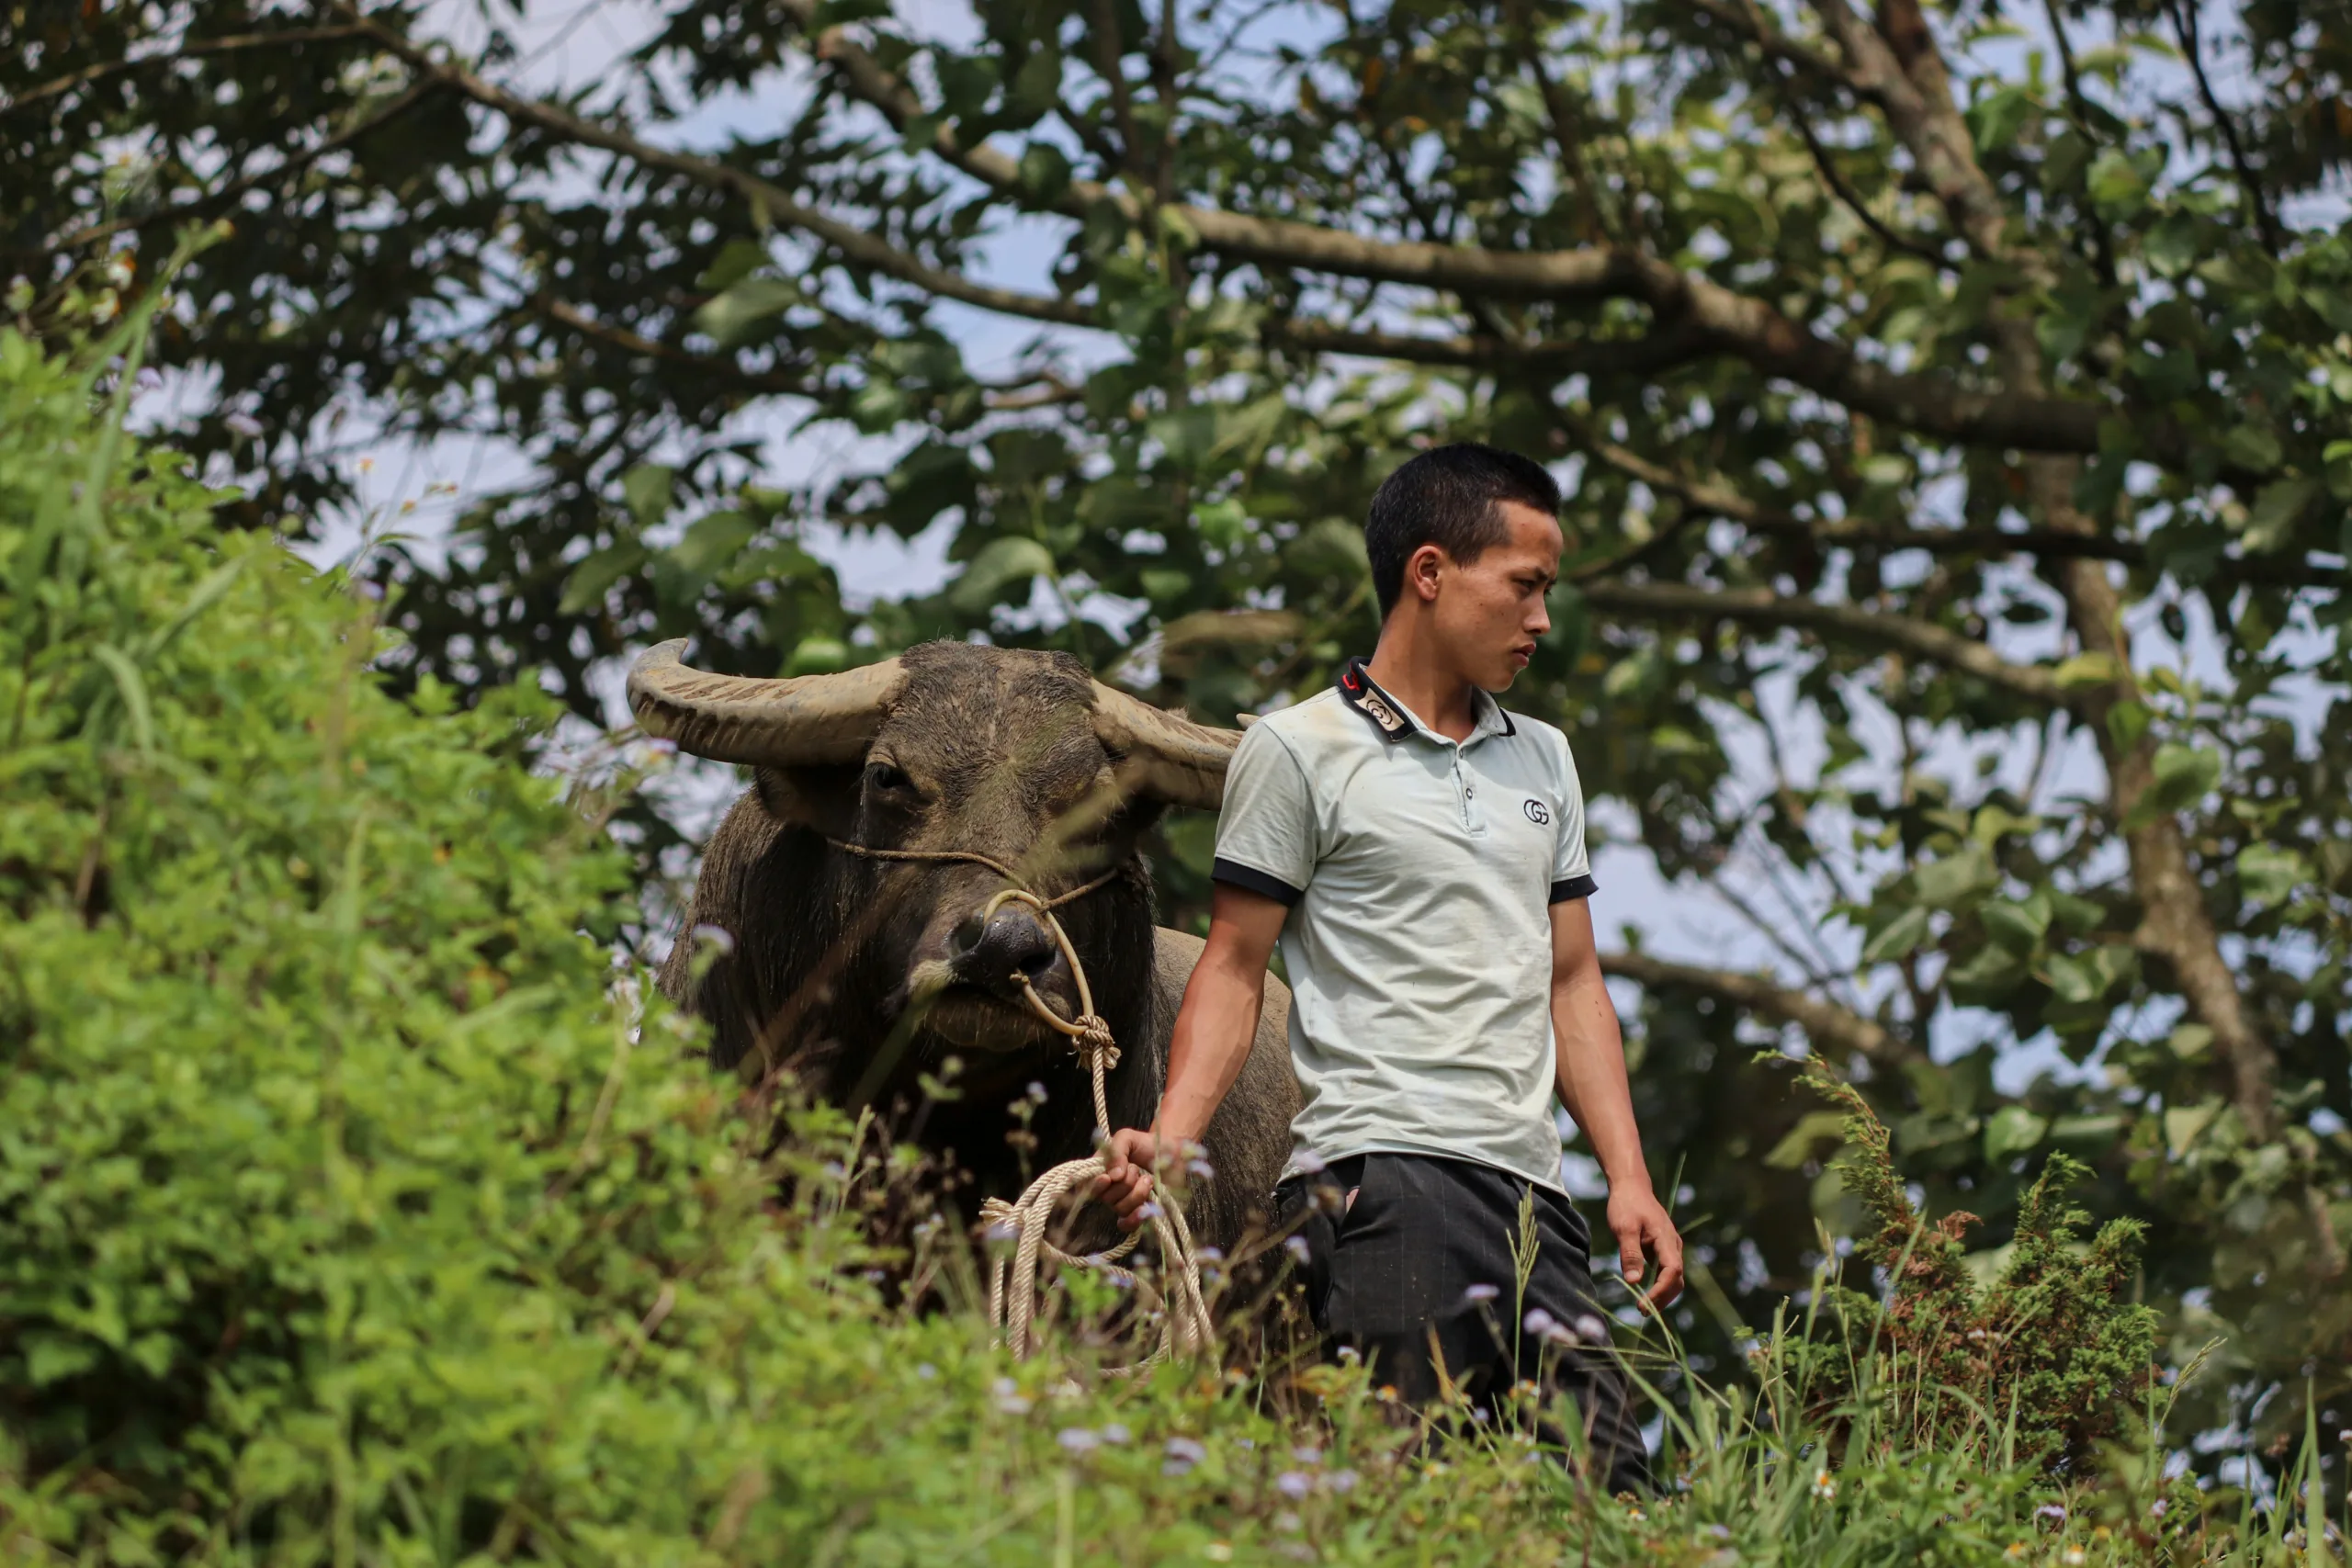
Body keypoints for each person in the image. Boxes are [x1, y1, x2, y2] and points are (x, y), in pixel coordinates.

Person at [1096, 442, 1682, 1495]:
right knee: (1411, 1500)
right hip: (1380, 1179)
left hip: (1535, 1198)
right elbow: (1233, 968)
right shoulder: (1298, 748)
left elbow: (1573, 983)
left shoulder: (1543, 757)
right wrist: (1172, 1139)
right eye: (1525, 587)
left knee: (1619, 1507)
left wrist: (1627, 1180)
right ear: (1429, 573)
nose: (1541, 621)